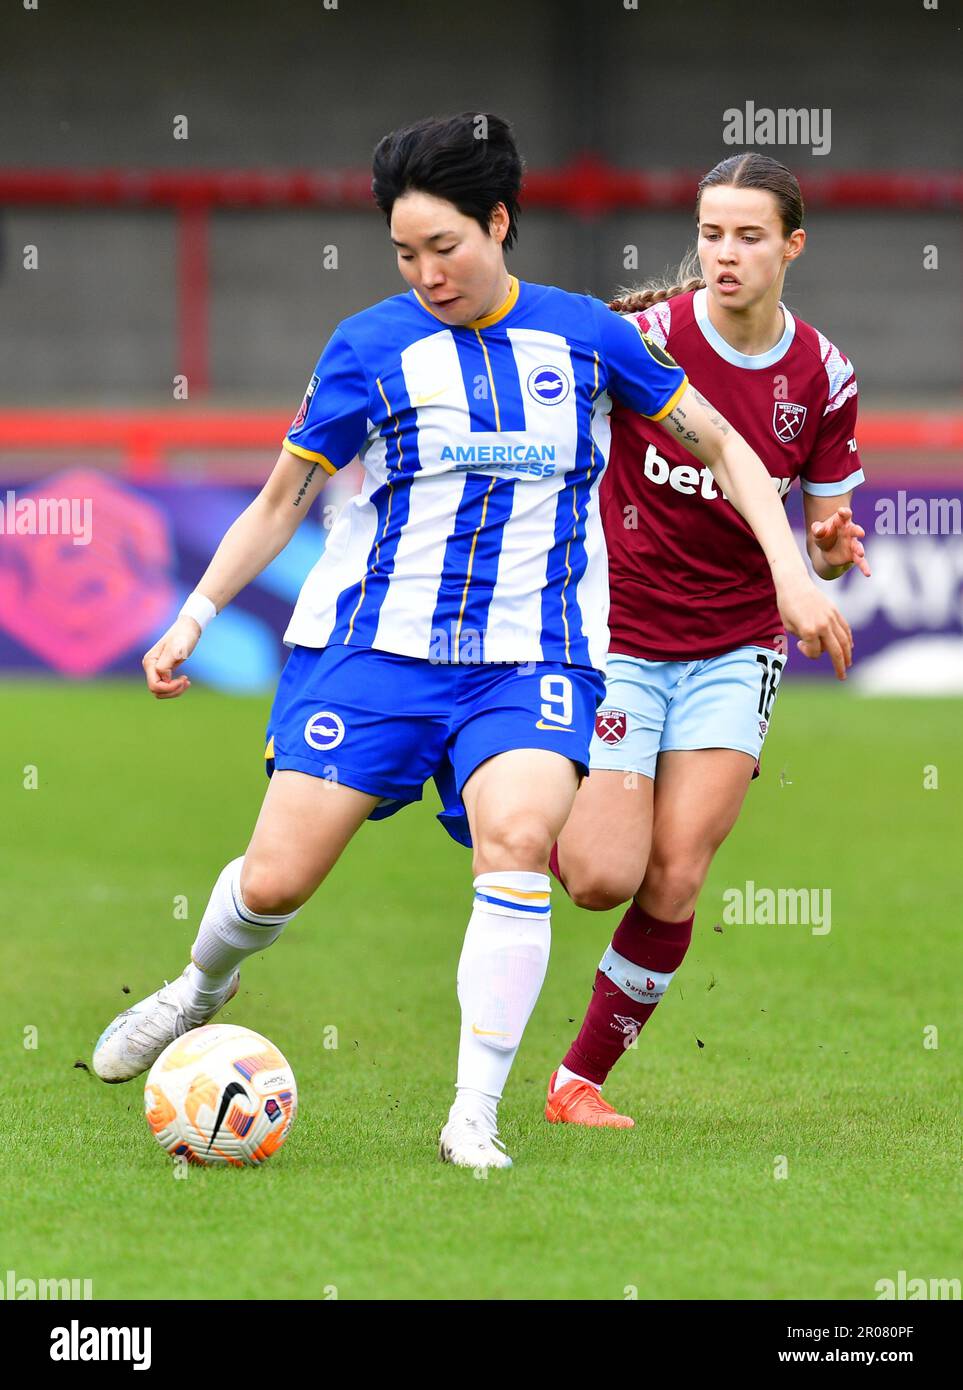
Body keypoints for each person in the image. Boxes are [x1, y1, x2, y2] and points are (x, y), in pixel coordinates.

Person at [91, 118, 852, 1169]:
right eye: (406, 254)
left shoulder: (587, 336)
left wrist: (791, 574)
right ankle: (200, 985)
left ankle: (473, 1113)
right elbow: (278, 504)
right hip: (378, 651)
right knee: (272, 883)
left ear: (499, 223)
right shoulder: (366, 346)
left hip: (530, 661)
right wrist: (194, 615)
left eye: (443, 248)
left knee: (521, 842)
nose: (426, 273)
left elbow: (721, 444)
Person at [544, 153, 870, 1128]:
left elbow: (829, 540)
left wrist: (831, 550)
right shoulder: (645, 341)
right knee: (603, 875)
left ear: (792, 246)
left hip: (736, 645)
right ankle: (517, 792)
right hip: (621, 635)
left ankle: (579, 1081)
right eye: (712, 233)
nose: (725, 254)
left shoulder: (824, 374)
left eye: (749, 236)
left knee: (678, 870)